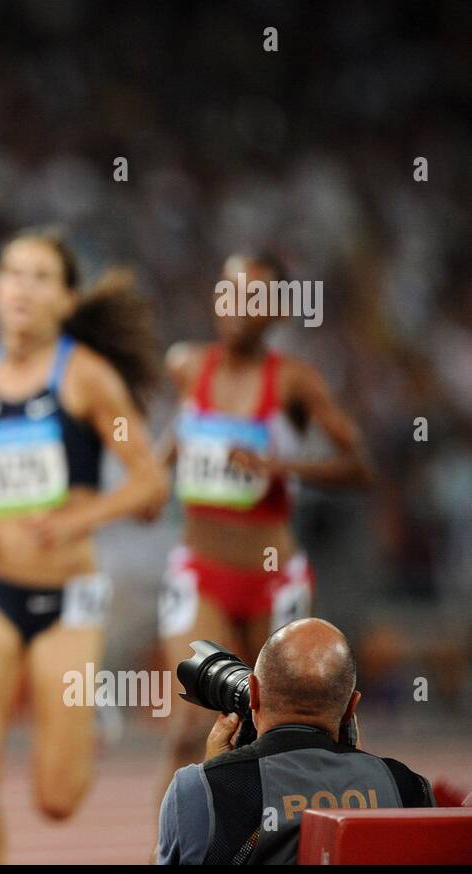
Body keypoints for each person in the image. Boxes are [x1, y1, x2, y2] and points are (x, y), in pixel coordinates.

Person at [0, 226, 168, 864]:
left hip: (68, 597)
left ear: (67, 301)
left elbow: (152, 486)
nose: (23, 288)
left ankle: (89, 722)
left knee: (56, 799)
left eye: (41, 277)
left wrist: (81, 520)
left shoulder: (89, 379)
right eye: (12, 273)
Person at [157, 253, 372, 787]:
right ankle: (179, 843)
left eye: (256, 297)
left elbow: (359, 466)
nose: (239, 307)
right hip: (201, 569)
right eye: (230, 292)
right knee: (190, 720)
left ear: (277, 312)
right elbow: (179, 439)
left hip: (272, 577)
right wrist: (151, 473)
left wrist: (280, 466)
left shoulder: (293, 382)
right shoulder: (185, 365)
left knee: (273, 725)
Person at [157, 618, 434, 865]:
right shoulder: (408, 788)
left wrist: (214, 779)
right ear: (351, 707)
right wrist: (364, 770)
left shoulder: (198, 789)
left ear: (253, 693)